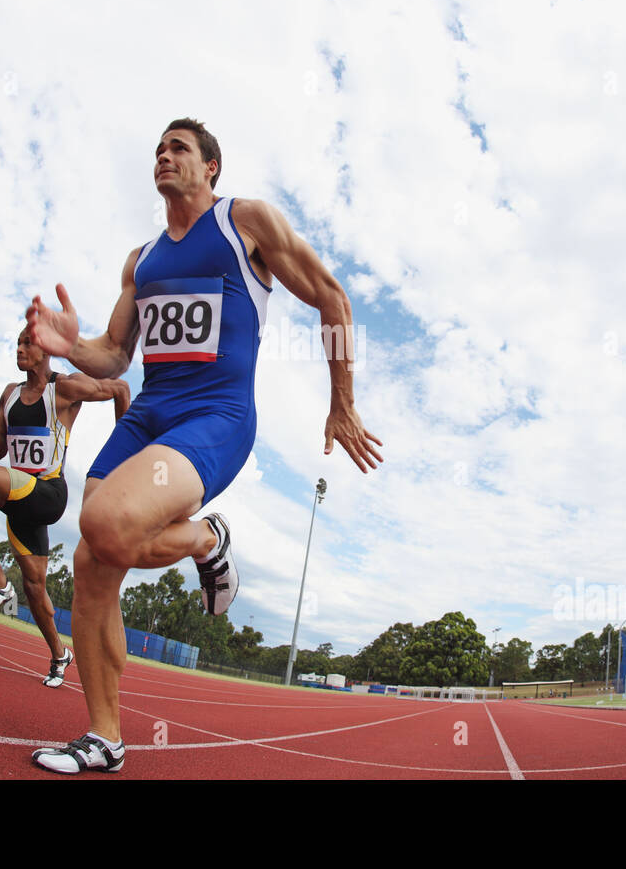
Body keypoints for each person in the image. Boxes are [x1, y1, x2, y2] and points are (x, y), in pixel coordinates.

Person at [26, 118, 384, 774]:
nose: (164, 156)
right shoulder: (142, 259)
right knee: (91, 557)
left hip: (215, 417)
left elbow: (332, 297)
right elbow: (112, 354)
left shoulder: (244, 222)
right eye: (158, 149)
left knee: (104, 521)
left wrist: (343, 402)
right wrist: (67, 346)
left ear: (210, 167)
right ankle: (104, 738)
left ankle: (203, 540)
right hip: (151, 415)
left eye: (178, 148)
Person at [0, 329, 130, 687]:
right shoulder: (9, 394)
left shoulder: (64, 388)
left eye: (27, 343)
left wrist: (122, 459)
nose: (19, 349)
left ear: (46, 350)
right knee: (35, 590)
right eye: (17, 343)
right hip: (20, 500)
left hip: (48, 492)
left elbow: (121, 390)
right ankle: (59, 655)